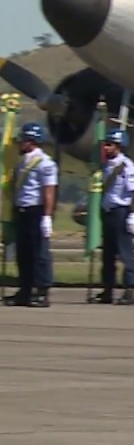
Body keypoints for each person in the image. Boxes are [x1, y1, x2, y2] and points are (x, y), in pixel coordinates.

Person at [3, 122, 56, 308]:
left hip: (36, 211)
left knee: (40, 254)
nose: (19, 144)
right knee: (23, 254)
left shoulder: (45, 163)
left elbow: (49, 191)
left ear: (32, 141)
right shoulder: (22, 162)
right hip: (22, 210)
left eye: (22, 140)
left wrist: (47, 217)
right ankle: (24, 290)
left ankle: (42, 291)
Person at [95, 128, 134, 306]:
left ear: (119, 146)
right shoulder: (104, 165)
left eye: (110, 145)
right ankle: (107, 289)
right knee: (107, 255)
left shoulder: (127, 166)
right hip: (108, 212)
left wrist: (133, 214)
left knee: (125, 253)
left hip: (121, 212)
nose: (106, 148)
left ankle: (129, 289)